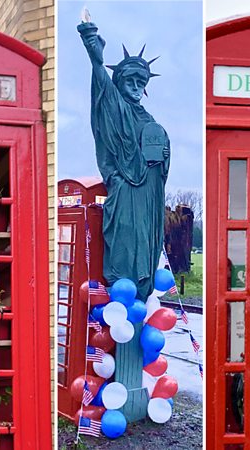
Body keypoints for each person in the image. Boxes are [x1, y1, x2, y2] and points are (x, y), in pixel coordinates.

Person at [78, 20, 171, 300]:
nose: (134, 87)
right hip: (126, 192)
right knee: (124, 252)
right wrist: (93, 50)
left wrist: (164, 157)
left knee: (146, 249)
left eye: (140, 83)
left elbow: (158, 153)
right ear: (120, 81)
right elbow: (102, 84)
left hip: (150, 195)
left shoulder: (148, 117)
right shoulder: (114, 106)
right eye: (129, 81)